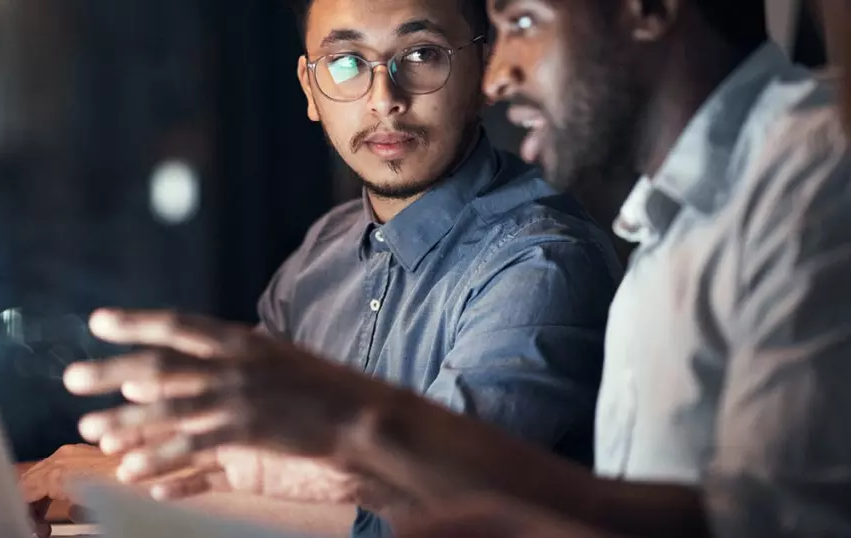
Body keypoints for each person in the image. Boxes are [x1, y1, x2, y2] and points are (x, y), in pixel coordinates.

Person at [63, 0, 851, 536]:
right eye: (346, 67)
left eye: (523, 21)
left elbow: (763, 525)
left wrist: (360, 429)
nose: (503, 71)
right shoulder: (674, 223)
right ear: (309, 88)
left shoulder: (810, 175)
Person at [22, 0, 619, 536]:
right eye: (345, 63)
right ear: (310, 89)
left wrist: (105, 484)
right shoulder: (324, 251)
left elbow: (429, 515)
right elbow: (236, 449)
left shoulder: (540, 262)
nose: (384, 98)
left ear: (483, 71)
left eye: (422, 54)